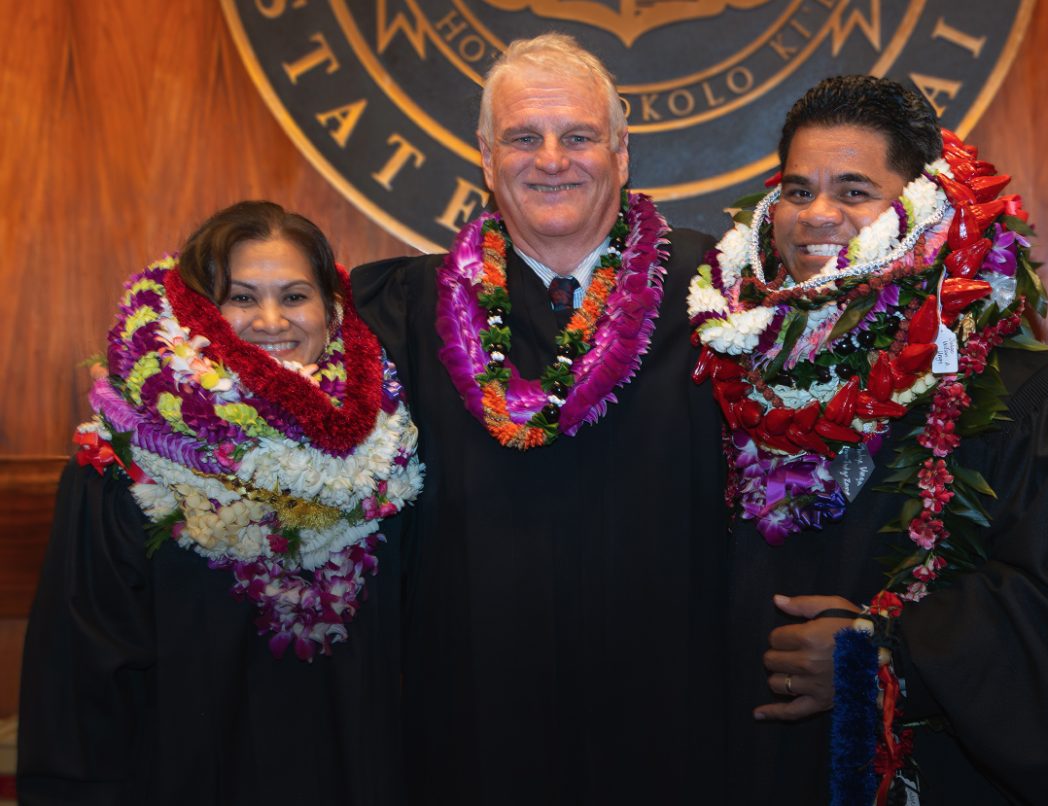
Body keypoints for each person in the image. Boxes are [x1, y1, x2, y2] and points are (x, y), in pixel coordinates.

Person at [689, 75, 1048, 804]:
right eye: (797, 191)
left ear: (923, 211)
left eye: (854, 191)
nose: (816, 215)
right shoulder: (731, 390)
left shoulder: (1038, 404)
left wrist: (888, 660)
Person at [350, 33, 728, 802]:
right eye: (524, 137)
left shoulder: (717, 293)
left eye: (579, 136)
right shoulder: (405, 310)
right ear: (486, 158)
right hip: (471, 715)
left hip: (672, 710)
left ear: (621, 154)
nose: (552, 159)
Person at [19, 200, 424, 805]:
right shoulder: (126, 462)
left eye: (294, 296)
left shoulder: (389, 450)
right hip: (185, 772)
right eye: (240, 298)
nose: (270, 320)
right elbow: (85, 671)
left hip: (350, 769)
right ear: (198, 312)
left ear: (331, 310)